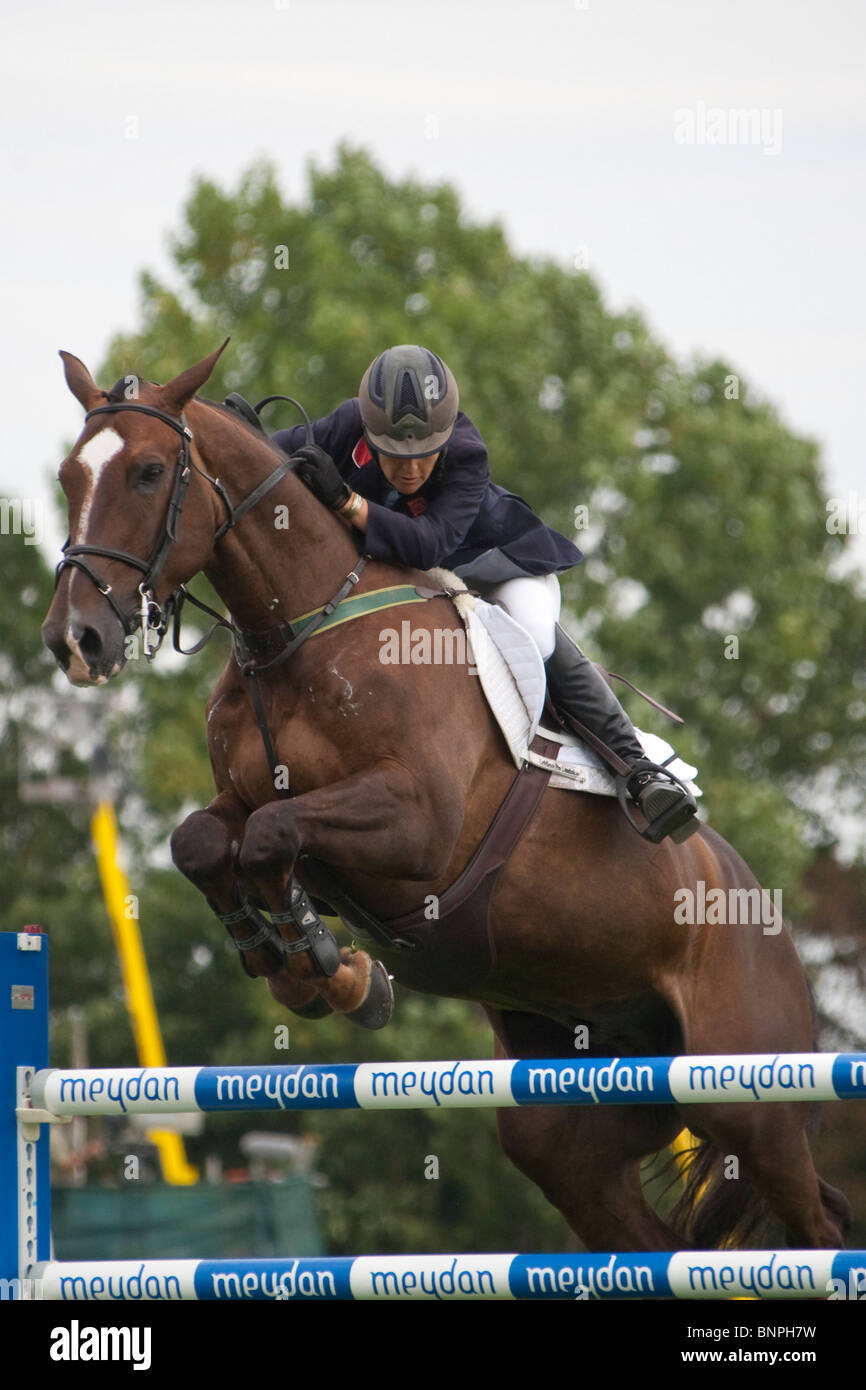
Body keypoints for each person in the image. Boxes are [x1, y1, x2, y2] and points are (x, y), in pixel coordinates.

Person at [271, 344, 698, 844]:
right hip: (419, 584)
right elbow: (268, 452)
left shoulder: (468, 451)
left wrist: (347, 501)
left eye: (423, 456)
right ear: (369, 430)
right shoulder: (349, 423)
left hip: (496, 565)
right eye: (395, 456)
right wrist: (219, 429)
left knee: (534, 637)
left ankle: (639, 769)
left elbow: (429, 542)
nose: (410, 471)